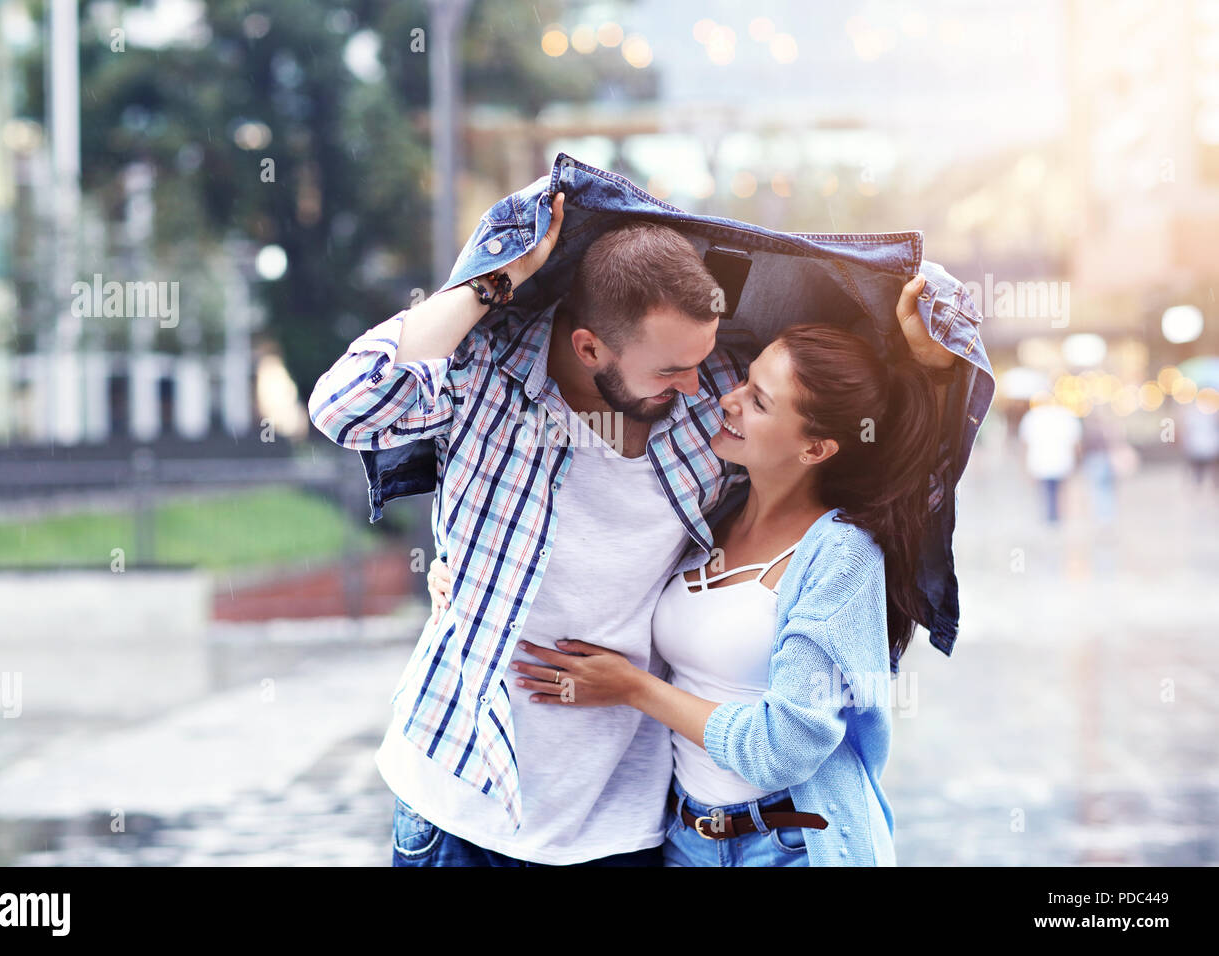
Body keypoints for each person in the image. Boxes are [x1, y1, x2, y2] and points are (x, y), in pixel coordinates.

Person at [309, 192, 959, 867]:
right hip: (460, 798)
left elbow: (860, 438)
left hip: (621, 826)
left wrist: (935, 369)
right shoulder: (482, 384)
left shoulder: (712, 401)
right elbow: (345, 405)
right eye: (671, 370)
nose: (698, 387)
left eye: (702, 363)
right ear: (590, 346)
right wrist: (493, 276)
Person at [428, 322, 941, 866]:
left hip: (790, 843)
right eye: (744, 381)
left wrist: (632, 688)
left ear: (815, 448)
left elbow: (783, 747)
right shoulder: (711, 513)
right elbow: (595, 554)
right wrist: (463, 567)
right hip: (685, 839)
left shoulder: (842, 556)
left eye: (759, 403)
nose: (729, 399)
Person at [1018, 397, 1082, 524]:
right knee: (1057, 492)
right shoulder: (1066, 416)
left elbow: (1024, 443)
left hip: (1040, 462)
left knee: (1045, 492)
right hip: (1060, 462)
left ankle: (1049, 517)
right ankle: (1055, 518)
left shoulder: (1033, 417)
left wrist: (1024, 463)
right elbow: (1076, 443)